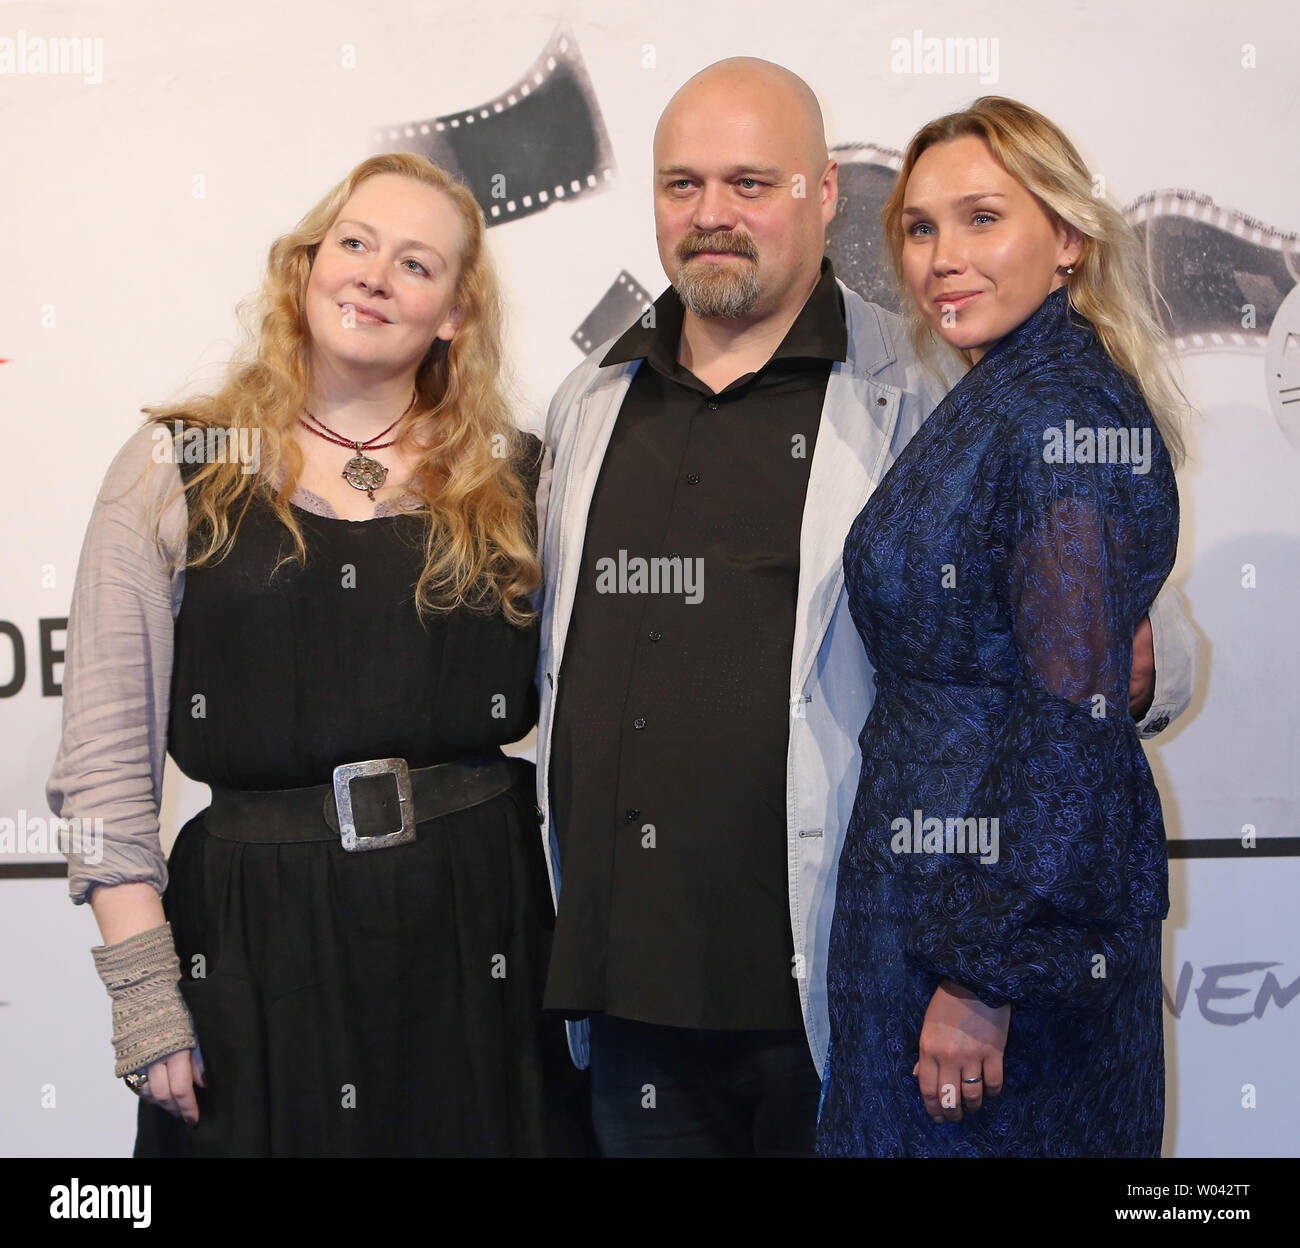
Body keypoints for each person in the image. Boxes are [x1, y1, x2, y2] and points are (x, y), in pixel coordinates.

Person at [532, 59, 1198, 1157]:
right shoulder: (590, 399)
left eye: (752, 183)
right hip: (625, 991)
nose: (713, 215)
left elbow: (1096, 614)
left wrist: (1142, 662)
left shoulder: (926, 376)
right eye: (681, 184)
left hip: (831, 972)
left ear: (822, 193)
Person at [48, 152, 589, 1156]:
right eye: (354, 244)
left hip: (479, 927)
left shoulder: (519, 477)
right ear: (305, 268)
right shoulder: (174, 465)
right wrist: (144, 997)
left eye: (417, 264)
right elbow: (102, 769)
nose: (376, 275)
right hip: (252, 942)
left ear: (456, 313)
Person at [816, 97, 1188, 1157]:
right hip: (935, 896)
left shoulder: (1060, 415)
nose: (943, 257)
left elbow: (1071, 723)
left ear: (1066, 240)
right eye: (921, 228)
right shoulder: (1005, 394)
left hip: (994, 933)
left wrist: (983, 978)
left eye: (982, 219)